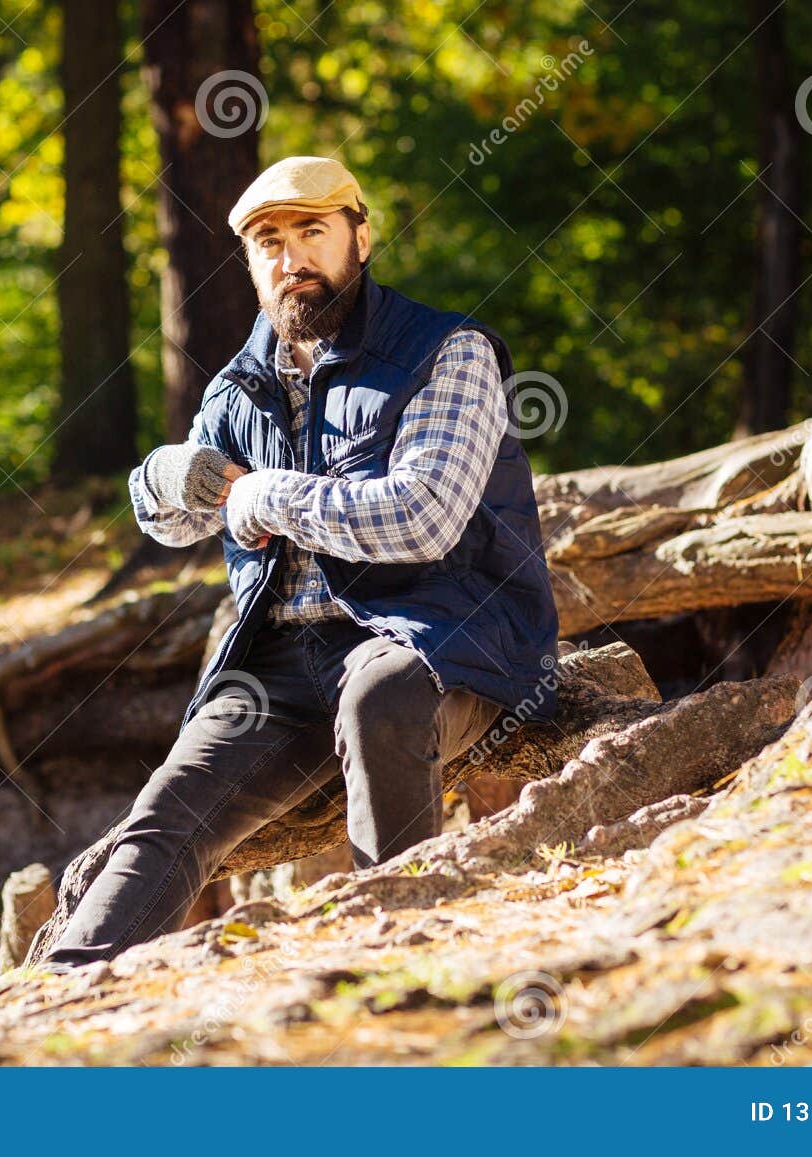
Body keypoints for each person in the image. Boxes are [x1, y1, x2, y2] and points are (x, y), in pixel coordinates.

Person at [44, 156, 559, 966]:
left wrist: (267, 495)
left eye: (313, 232)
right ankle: (63, 995)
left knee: (381, 698)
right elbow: (174, 521)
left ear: (362, 237)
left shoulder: (446, 351)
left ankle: (401, 956)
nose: (292, 259)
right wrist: (166, 473)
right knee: (170, 809)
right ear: (251, 262)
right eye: (269, 242)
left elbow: (423, 517)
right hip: (283, 666)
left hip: (436, 634)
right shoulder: (239, 385)